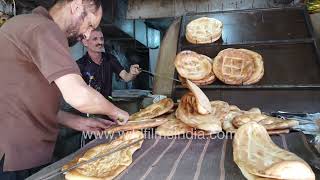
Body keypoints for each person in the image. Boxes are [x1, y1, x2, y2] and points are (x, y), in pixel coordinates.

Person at [0, 0, 129, 179]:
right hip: (15, 157)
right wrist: (123, 116)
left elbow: (23, 101)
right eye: (90, 24)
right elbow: (79, 95)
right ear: (76, 6)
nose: (87, 34)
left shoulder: (25, 24)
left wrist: (75, 121)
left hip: (17, 153)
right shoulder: (44, 28)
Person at [77, 27, 141, 98]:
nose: (100, 42)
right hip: (88, 106)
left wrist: (132, 73)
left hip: (107, 105)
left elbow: (126, 77)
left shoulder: (110, 58)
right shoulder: (80, 65)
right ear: (85, 42)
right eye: (95, 39)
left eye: (101, 39)